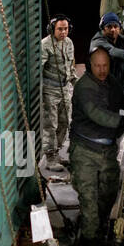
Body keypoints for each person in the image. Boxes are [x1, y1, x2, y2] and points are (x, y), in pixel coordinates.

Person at [69, 48, 124, 246]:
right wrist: (121, 122)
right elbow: (96, 113)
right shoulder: (83, 88)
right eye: (97, 66)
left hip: (107, 151)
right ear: (90, 66)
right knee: (89, 199)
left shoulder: (111, 82)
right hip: (85, 151)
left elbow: (121, 101)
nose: (102, 70)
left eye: (105, 66)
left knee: (108, 194)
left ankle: (98, 231)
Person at [39, 15, 76, 173]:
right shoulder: (45, 45)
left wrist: (76, 84)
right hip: (50, 90)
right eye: (60, 29)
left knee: (64, 122)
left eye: (66, 28)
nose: (63, 32)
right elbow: (39, 68)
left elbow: (71, 66)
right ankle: (50, 158)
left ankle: (57, 152)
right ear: (52, 29)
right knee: (50, 125)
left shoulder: (69, 43)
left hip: (65, 88)